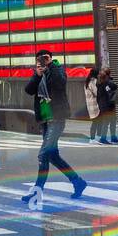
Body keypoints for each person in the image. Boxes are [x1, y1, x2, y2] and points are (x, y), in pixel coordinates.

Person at [22, 49, 88, 203]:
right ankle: (78, 182)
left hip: (56, 119)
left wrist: (49, 67)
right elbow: (29, 90)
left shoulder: (57, 70)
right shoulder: (39, 74)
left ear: (51, 58)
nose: (43, 61)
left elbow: (59, 83)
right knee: (52, 156)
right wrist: (37, 75)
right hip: (45, 120)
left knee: (43, 154)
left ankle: (37, 192)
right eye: (40, 59)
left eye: (46, 58)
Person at [97, 67, 118, 144]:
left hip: (105, 104)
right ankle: (104, 138)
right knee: (108, 122)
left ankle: (112, 137)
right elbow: (114, 86)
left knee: (111, 121)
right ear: (107, 75)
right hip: (107, 104)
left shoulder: (100, 82)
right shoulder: (106, 83)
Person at [85, 66, 103, 142]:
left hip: (90, 105)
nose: (99, 75)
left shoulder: (87, 81)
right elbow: (96, 93)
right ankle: (94, 138)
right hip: (95, 104)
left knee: (96, 122)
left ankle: (94, 138)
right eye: (98, 73)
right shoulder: (93, 81)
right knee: (97, 122)